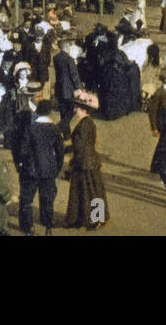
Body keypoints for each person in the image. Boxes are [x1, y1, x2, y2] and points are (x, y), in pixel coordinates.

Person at [9, 99, 64, 236]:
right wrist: (56, 168)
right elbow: (60, 152)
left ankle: (28, 227)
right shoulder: (54, 129)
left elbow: (23, 150)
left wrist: (20, 164)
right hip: (48, 170)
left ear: (37, 110)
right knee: (47, 199)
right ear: (50, 112)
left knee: (26, 199)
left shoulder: (31, 128)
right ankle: (48, 225)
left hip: (30, 169)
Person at [65, 90, 108, 230]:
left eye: (77, 108)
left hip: (83, 163)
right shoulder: (88, 123)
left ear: (83, 110)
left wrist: (71, 158)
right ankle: (97, 218)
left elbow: (81, 146)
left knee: (84, 192)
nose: (75, 110)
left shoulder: (83, 125)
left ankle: (88, 220)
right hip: (91, 162)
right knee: (94, 191)